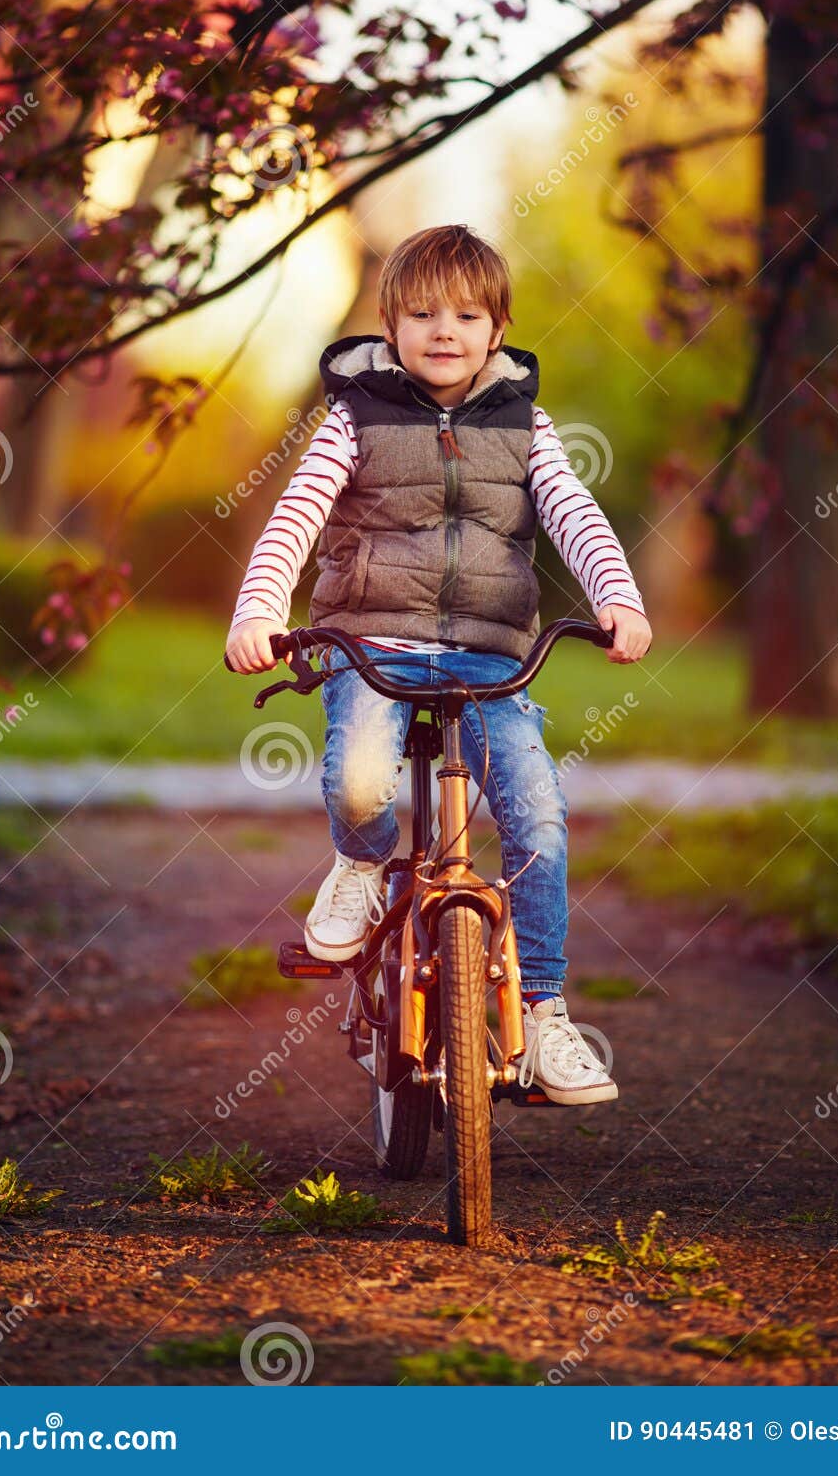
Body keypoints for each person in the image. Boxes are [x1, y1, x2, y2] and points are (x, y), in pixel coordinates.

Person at [225, 224, 652, 1104]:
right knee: (359, 782)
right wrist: (261, 608)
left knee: (536, 818)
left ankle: (541, 1013)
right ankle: (359, 868)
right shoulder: (355, 417)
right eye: (421, 314)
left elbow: (573, 513)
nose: (444, 331)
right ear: (389, 328)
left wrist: (617, 597)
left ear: (497, 330)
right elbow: (296, 514)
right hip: (374, 643)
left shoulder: (524, 425)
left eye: (465, 314)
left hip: (490, 660)